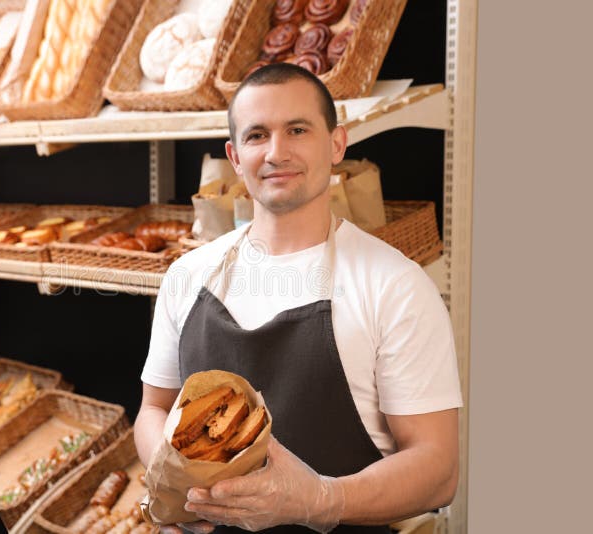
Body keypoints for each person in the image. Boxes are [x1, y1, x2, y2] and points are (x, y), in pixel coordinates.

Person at [135, 63, 462, 534]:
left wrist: (322, 501)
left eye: (297, 129)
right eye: (256, 136)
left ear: (336, 144)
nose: (276, 152)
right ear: (234, 156)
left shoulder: (395, 285)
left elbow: (439, 470)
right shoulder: (188, 275)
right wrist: (176, 486)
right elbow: (153, 410)